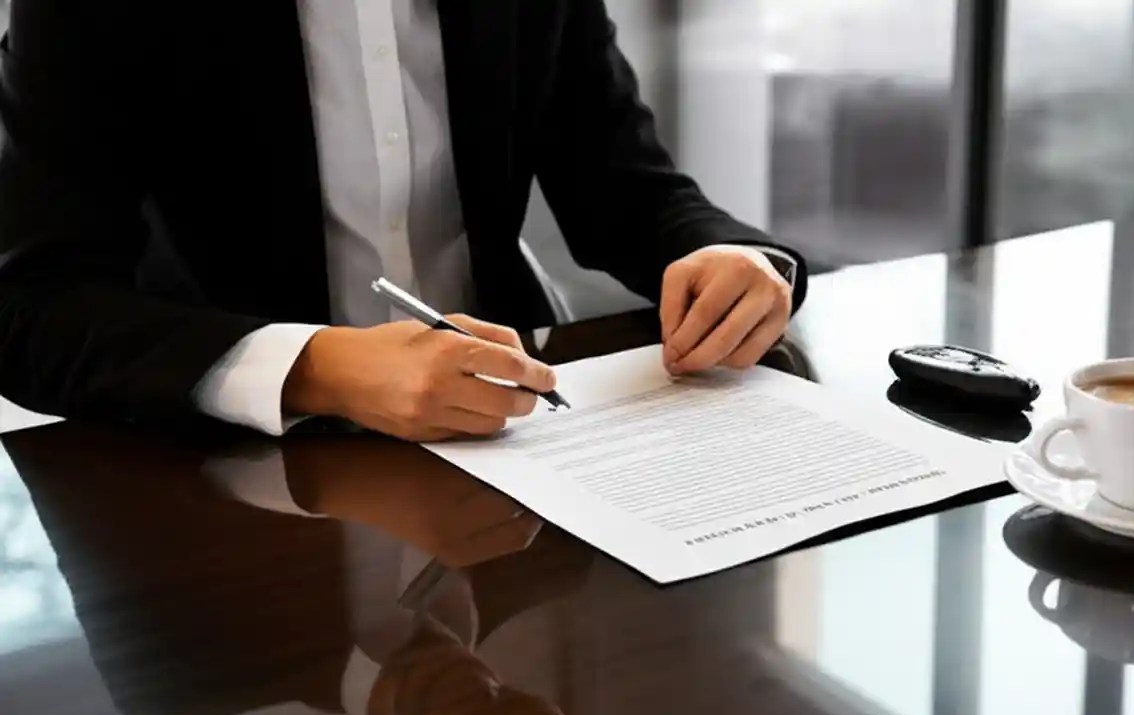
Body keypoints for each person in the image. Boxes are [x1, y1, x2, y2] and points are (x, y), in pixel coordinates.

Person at [0, 0, 807, 441]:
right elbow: (30, 310)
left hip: (510, 448)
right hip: (215, 469)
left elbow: (625, 186)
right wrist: (318, 368)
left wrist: (728, 255)